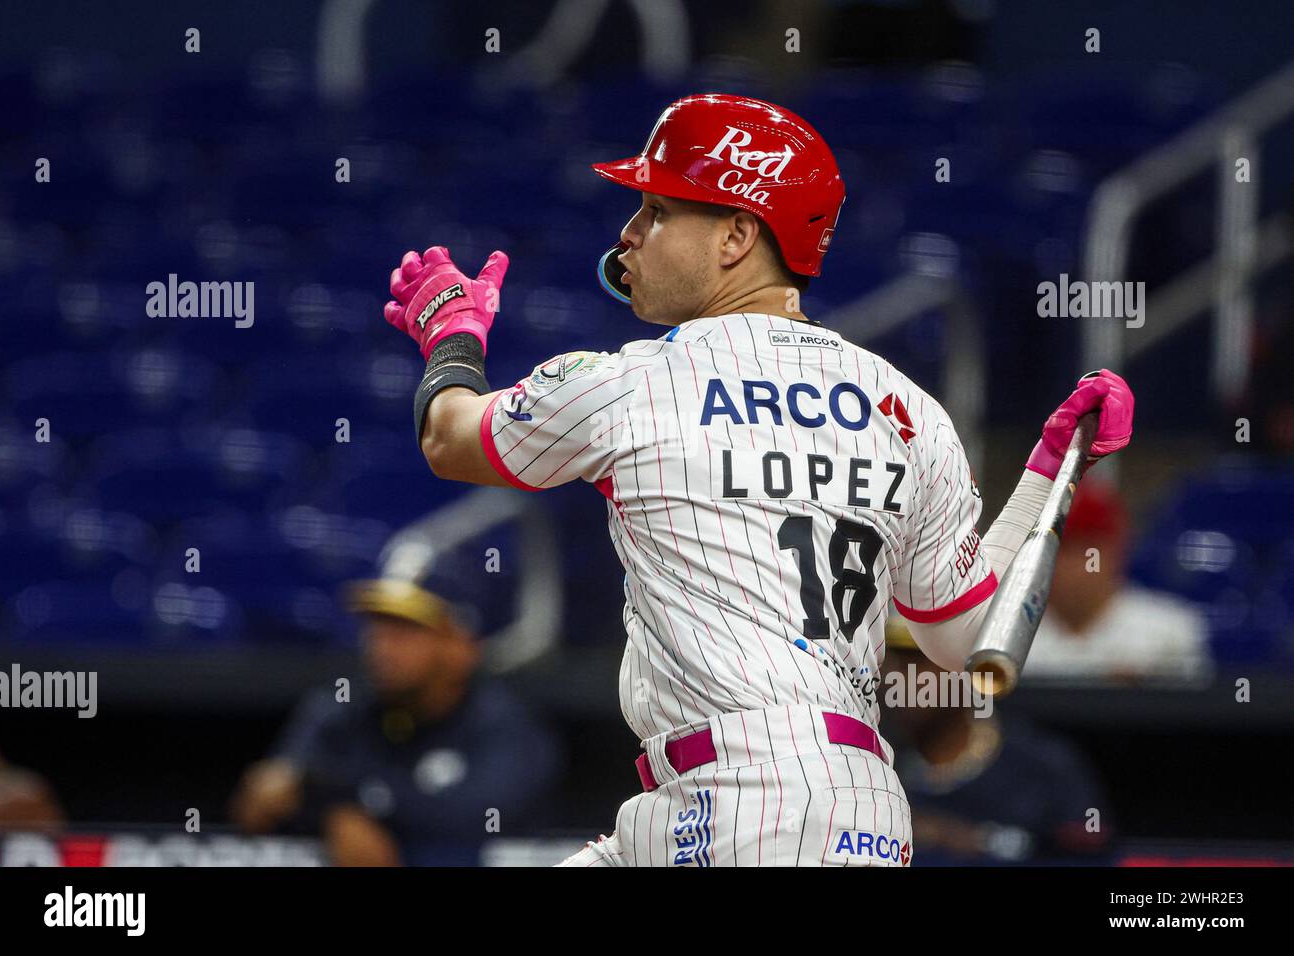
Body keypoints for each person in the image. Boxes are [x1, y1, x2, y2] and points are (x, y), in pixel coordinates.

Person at [382, 93, 1135, 866]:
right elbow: (964, 636)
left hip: (753, 800)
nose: (628, 233)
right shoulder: (907, 409)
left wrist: (451, 332)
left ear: (739, 234)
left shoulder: (635, 381)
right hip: (823, 801)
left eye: (657, 209)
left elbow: (448, 437)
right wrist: (1045, 479)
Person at [230, 574, 563, 866]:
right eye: (378, 629)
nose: (383, 648)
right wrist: (336, 815)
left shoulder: (503, 722)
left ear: (460, 646)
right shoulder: (339, 709)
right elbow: (261, 805)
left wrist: (342, 801)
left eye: (405, 632)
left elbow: (472, 821)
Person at [880, 621, 1113, 864]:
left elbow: (1091, 858)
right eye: (891, 661)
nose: (897, 678)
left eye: (916, 662)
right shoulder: (866, 763)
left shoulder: (1044, 768)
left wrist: (975, 841)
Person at [1024, 478, 1212, 684]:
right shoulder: (1006, 633)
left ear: (1118, 548)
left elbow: (1195, 713)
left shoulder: (1170, 631)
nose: (1073, 564)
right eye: (1063, 548)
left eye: (1088, 547)